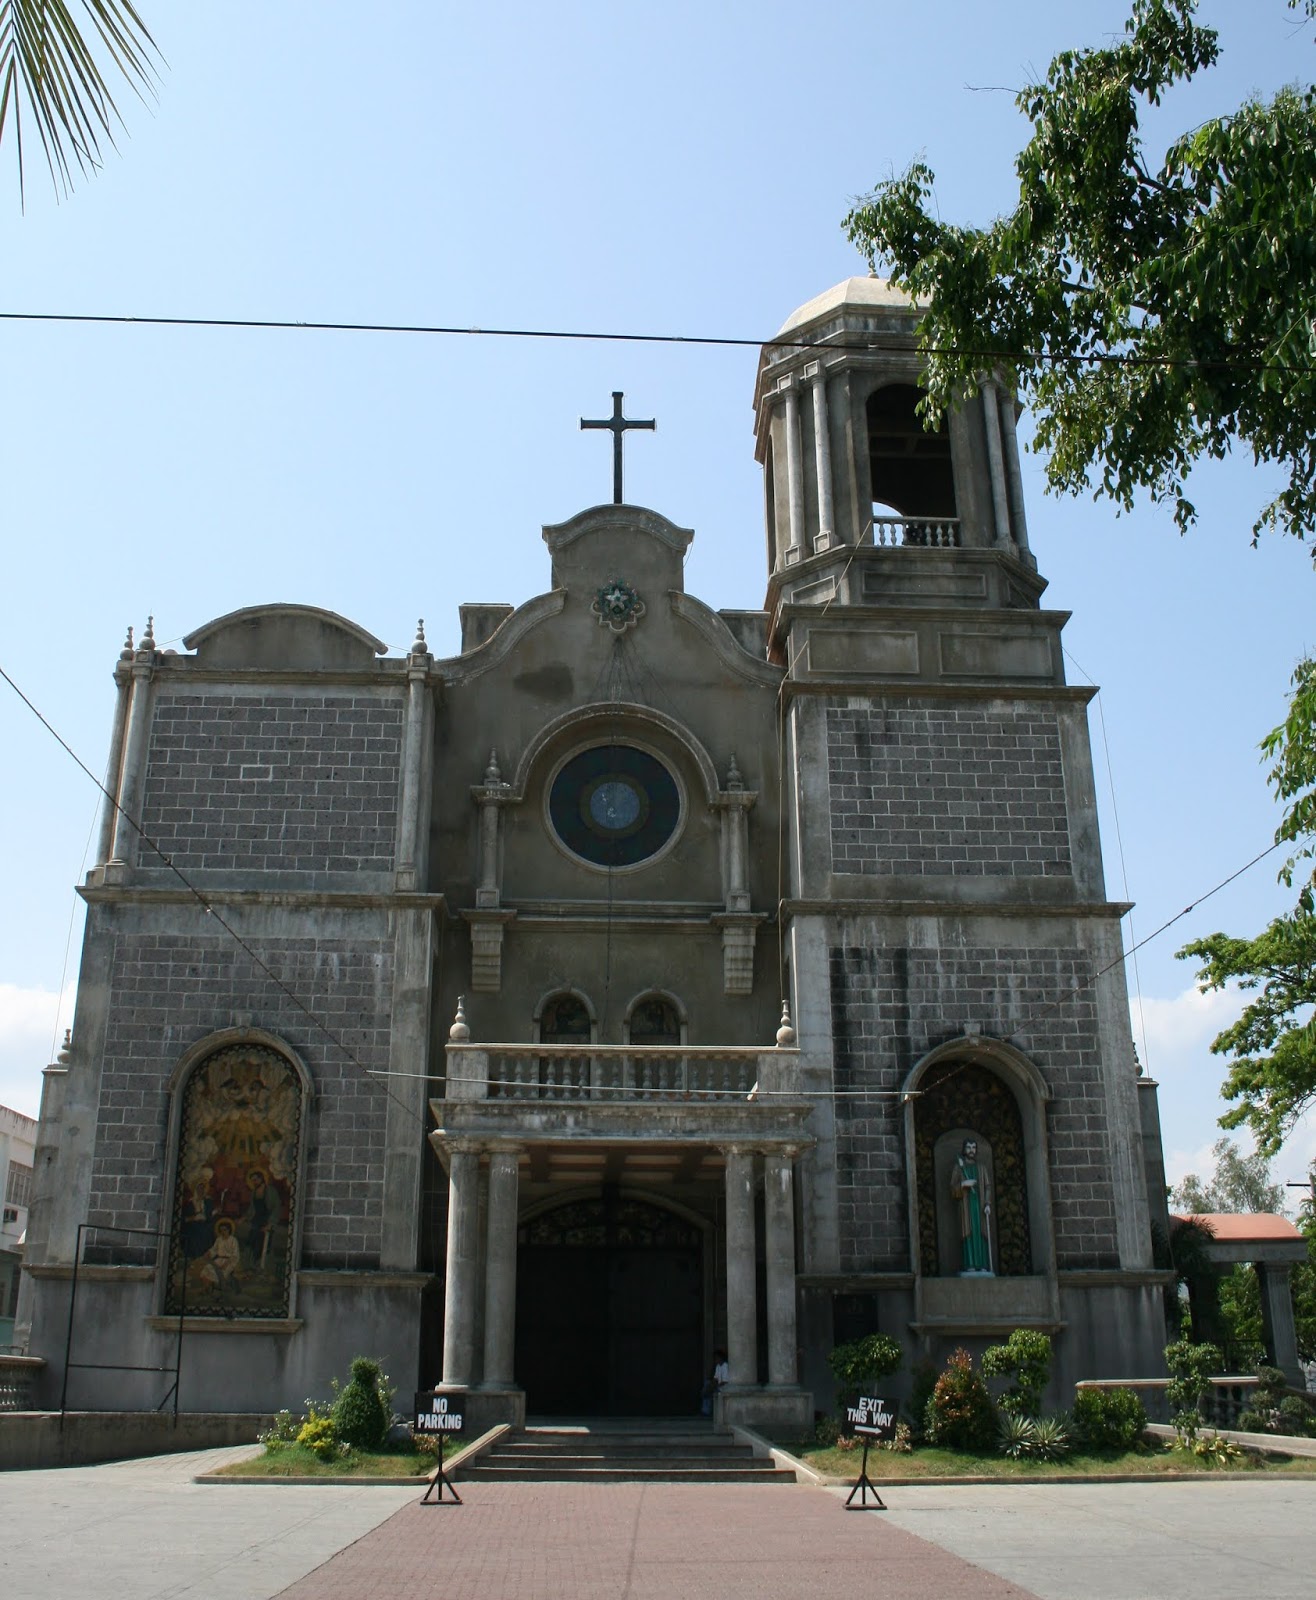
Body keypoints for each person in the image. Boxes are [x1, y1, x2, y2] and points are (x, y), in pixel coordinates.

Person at [950, 1137, 992, 1274]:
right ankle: (970, 1265)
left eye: (973, 1147)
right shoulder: (959, 1167)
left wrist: (987, 1203)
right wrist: (963, 1184)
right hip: (966, 1207)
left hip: (979, 1207)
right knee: (968, 1234)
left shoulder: (981, 1168)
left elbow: (987, 1187)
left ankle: (982, 1265)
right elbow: (953, 1188)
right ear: (964, 1149)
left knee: (981, 1234)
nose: (971, 1150)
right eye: (968, 1147)